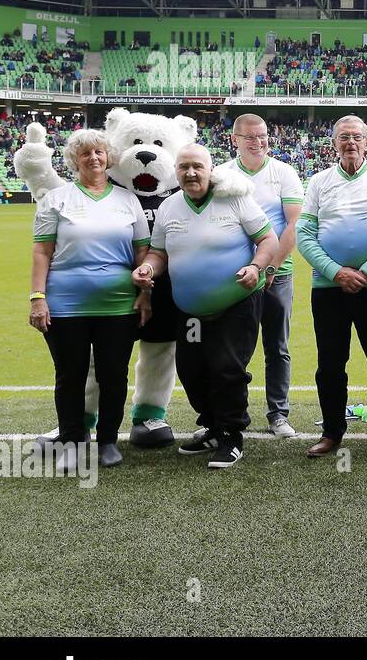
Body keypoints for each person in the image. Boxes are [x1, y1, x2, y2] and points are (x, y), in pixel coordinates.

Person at [135, 144, 279, 470]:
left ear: (210, 169)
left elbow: (268, 240)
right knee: (191, 368)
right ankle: (213, 427)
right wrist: (148, 269)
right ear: (175, 172)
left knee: (227, 367)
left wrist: (256, 267)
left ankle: (231, 434)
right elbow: (159, 254)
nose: (190, 173)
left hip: (237, 302)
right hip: (188, 308)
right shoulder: (170, 207)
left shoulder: (235, 197)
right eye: (183, 167)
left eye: (197, 166)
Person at [30, 128, 148, 472]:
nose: (94, 158)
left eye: (99, 152)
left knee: (114, 374)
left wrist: (145, 295)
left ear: (108, 157)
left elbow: (142, 252)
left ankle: (108, 440)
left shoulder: (128, 200)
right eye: (85, 154)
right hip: (65, 304)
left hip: (118, 305)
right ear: (74, 160)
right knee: (70, 375)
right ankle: (71, 440)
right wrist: (38, 298)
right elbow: (41, 251)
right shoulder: (56, 199)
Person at [297, 116, 367, 460]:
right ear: (333, 143)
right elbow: (304, 234)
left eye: (356, 137)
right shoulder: (319, 181)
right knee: (330, 363)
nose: (350, 142)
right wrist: (335, 271)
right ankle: (332, 431)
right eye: (343, 136)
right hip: (329, 288)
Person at [220, 113, 304, 439]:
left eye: (263, 135)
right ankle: (233, 414)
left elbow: (294, 225)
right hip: (235, 275)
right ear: (235, 140)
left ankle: (278, 414)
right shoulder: (222, 174)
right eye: (250, 137)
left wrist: (269, 266)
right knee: (233, 348)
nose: (258, 142)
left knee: (277, 347)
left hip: (276, 274)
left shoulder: (283, 173)